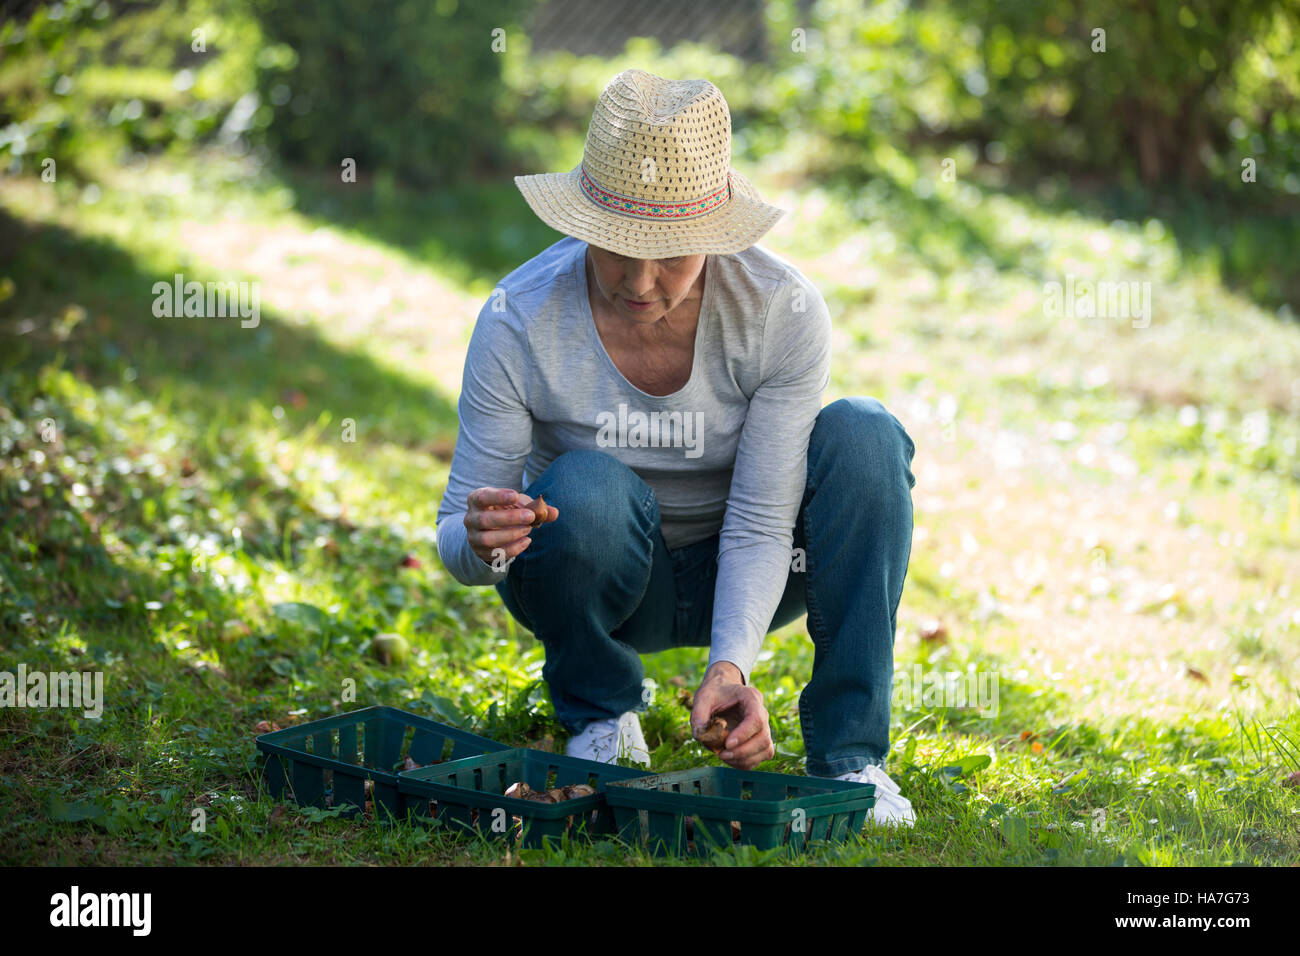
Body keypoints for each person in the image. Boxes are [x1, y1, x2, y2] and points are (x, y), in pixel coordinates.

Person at [435, 69, 918, 825]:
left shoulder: (780, 310)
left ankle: (851, 759)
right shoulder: (516, 319)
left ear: (716, 238)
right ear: (583, 221)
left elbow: (762, 519)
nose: (641, 281)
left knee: (865, 432)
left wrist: (729, 668)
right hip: (604, 571)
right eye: (617, 248)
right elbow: (462, 551)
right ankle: (600, 714)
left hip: (760, 564)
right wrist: (481, 542)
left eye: (673, 254)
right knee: (585, 485)